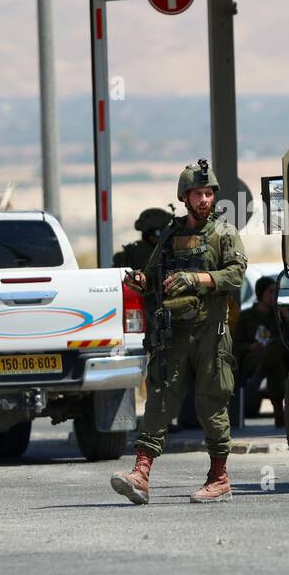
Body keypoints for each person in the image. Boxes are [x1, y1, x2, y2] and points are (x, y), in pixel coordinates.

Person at [110, 160, 247, 505]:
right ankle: (140, 474)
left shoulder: (224, 234)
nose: (204, 199)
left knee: (210, 402)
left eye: (209, 193)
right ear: (185, 197)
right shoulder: (171, 235)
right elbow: (154, 275)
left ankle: (219, 478)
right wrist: (142, 281)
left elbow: (235, 275)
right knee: (160, 398)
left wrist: (197, 279)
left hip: (211, 334)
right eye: (198, 193)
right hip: (175, 333)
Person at [232, 276, 289, 426]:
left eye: (276, 292)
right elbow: (236, 344)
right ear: (261, 293)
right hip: (253, 357)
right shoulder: (246, 316)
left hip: (277, 358)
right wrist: (249, 347)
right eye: (270, 292)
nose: (274, 296)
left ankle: (258, 378)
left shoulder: (278, 315)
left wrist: (287, 319)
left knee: (276, 349)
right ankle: (279, 412)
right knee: (274, 362)